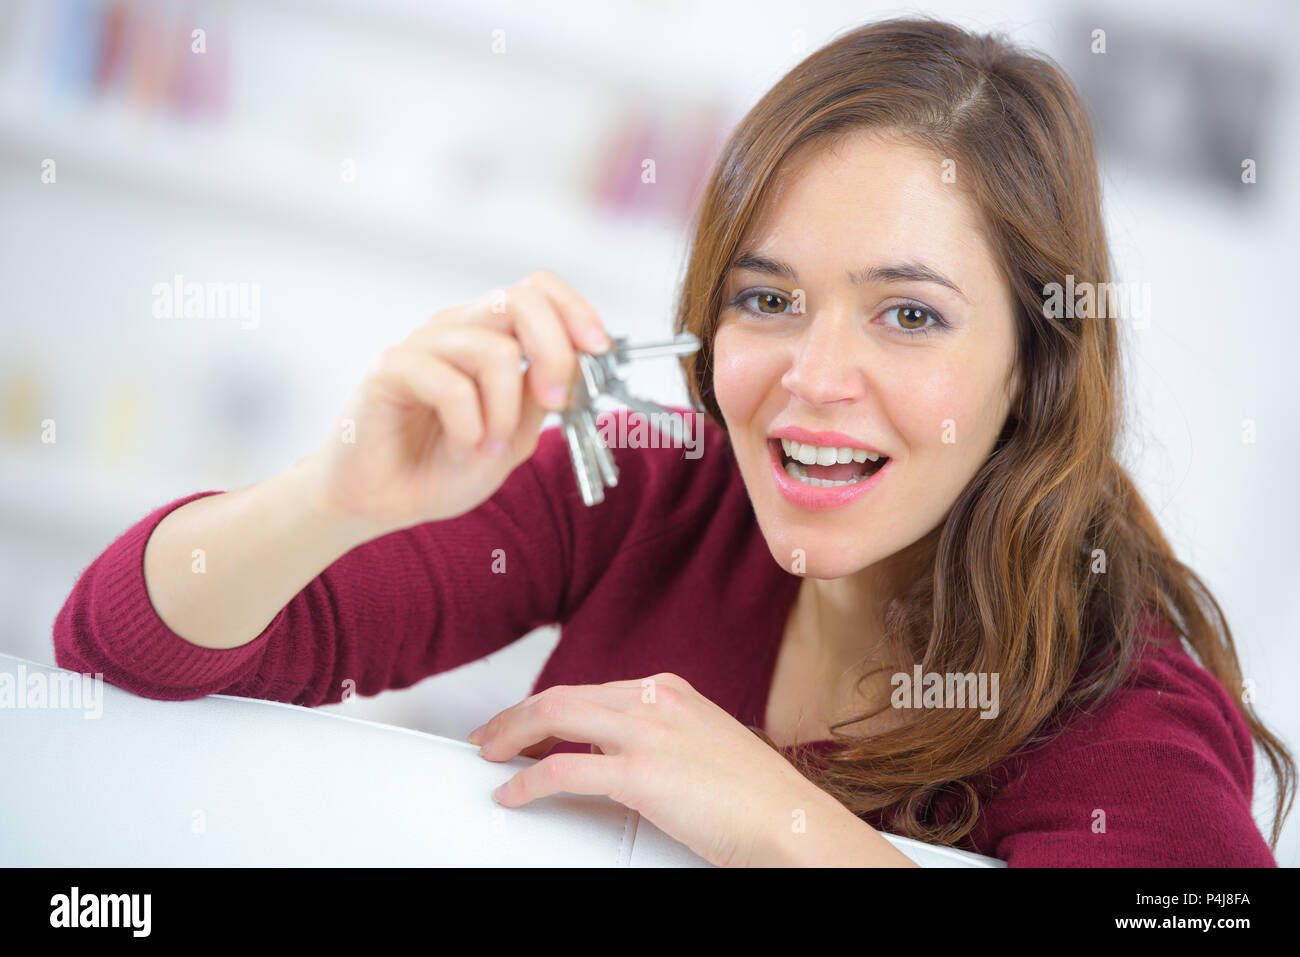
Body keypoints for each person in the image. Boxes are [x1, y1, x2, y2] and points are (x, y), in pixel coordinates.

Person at [54, 17, 1292, 867]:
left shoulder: (1113, 707)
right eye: (766, 299)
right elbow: (118, 645)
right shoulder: (655, 483)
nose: (811, 381)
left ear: (1033, 370)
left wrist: (793, 833)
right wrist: (334, 492)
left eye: (909, 315)